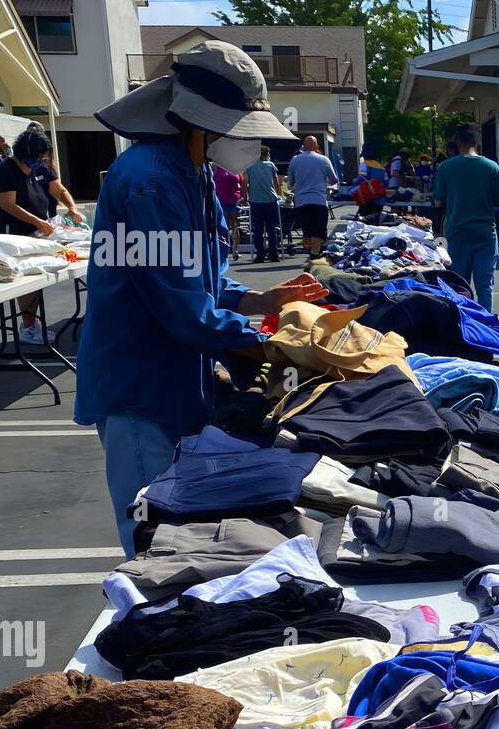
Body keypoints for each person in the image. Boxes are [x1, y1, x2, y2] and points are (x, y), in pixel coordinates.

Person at [78, 39, 328, 554]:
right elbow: (185, 309)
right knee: (156, 541)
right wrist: (283, 347)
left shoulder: (195, 175)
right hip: (140, 388)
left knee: (185, 528)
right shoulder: (148, 181)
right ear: (200, 123)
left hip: (180, 379)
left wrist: (262, 300)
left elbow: (204, 281)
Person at [0, 123, 84, 342]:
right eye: (37, 158)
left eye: (43, 158)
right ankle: (28, 326)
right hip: (15, 233)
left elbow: (58, 189)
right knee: (26, 280)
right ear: (24, 154)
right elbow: (8, 205)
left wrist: (71, 207)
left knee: (39, 276)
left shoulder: (41, 166)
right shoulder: (6, 171)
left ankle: (31, 322)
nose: (39, 162)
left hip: (39, 231)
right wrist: (37, 222)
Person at [432, 123, 499, 311]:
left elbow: (438, 202)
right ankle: (486, 326)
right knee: (485, 287)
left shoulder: (446, 168)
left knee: (459, 286)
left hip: (457, 233)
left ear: (457, 143)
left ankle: (462, 325)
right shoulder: (492, 168)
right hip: (485, 235)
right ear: (477, 142)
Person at [288, 135, 338, 257]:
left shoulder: (295, 160)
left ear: (304, 146)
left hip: (301, 201)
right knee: (318, 230)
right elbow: (334, 180)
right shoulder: (324, 160)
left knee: (307, 230)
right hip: (319, 200)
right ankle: (314, 253)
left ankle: (310, 250)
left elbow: (291, 182)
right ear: (316, 146)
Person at [246, 145, 284, 263]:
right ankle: (273, 253)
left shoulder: (249, 167)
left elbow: (245, 182)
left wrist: (245, 196)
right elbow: (276, 182)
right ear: (266, 154)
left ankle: (260, 254)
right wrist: (279, 194)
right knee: (271, 229)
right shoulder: (270, 165)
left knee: (257, 230)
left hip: (255, 200)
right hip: (270, 200)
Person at [213, 164, 245, 258]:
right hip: (220, 201)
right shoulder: (215, 167)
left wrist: (244, 197)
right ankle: (222, 250)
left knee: (234, 225)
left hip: (234, 201)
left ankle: (235, 250)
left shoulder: (236, 168)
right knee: (221, 226)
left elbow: (242, 182)